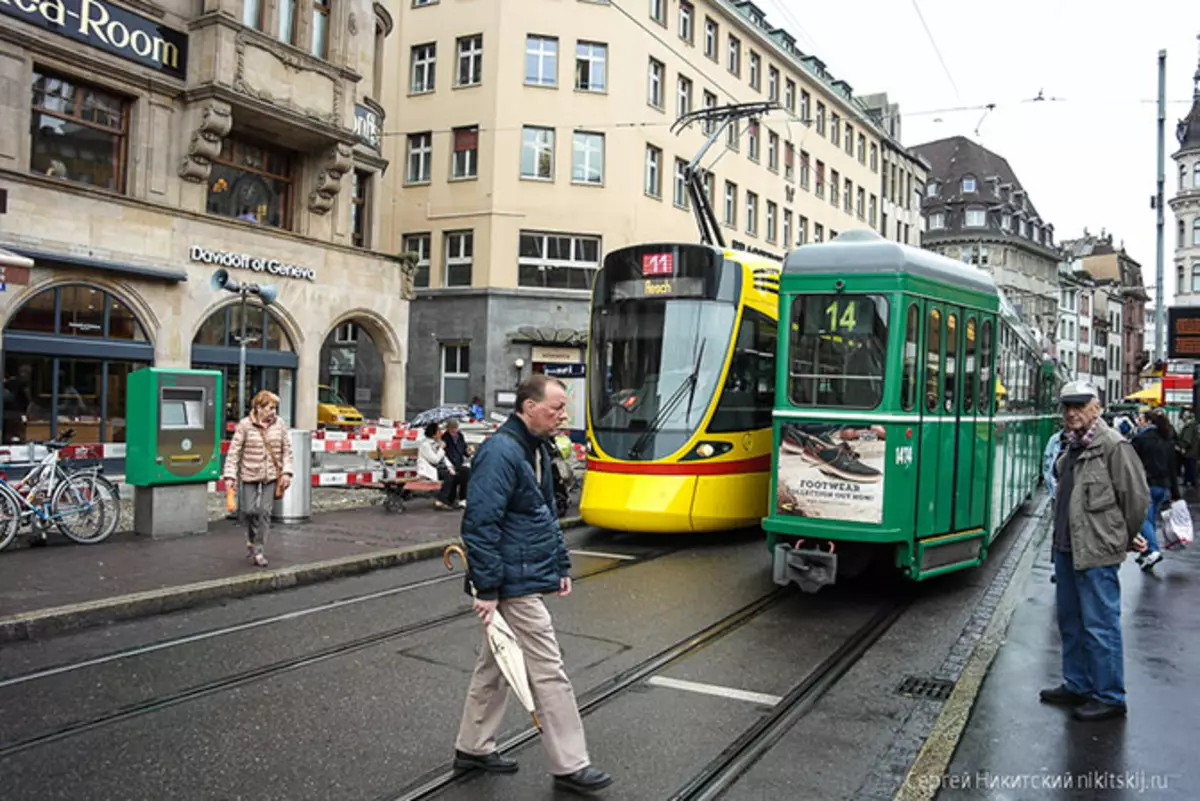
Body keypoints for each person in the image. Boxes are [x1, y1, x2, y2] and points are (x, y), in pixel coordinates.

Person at [452, 375, 613, 794]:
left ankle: (472, 746)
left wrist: (559, 563)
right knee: (548, 668)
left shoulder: (534, 448)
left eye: (564, 408)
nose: (563, 415)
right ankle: (571, 763)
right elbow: (480, 524)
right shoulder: (502, 453)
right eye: (556, 407)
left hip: (518, 574)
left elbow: (540, 515)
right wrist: (486, 589)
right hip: (510, 582)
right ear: (527, 407)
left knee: (496, 665)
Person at [1042, 381, 1148, 722]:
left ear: (1097, 407)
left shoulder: (1113, 446)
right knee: (1070, 621)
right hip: (1066, 547)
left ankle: (1109, 695)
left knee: (1100, 625)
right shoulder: (1069, 446)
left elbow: (1136, 498)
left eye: (1079, 405)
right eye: (1067, 406)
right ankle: (1077, 684)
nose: (1071, 412)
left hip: (1097, 550)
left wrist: (1125, 536)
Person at [223, 390, 293, 567]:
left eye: (275, 408)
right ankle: (251, 537)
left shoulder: (280, 425)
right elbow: (234, 452)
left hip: (271, 475)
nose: (273, 412)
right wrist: (230, 475)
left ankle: (259, 550)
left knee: (265, 511)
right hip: (250, 472)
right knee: (248, 510)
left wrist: (286, 472)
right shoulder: (245, 425)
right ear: (259, 408)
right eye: (270, 408)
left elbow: (287, 450)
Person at [1130, 408, 1177, 571]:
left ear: (1149, 422)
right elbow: (1173, 468)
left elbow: (1130, 463)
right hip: (1163, 486)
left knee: (1144, 520)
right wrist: (1175, 493)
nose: (1138, 421)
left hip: (1146, 485)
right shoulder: (1167, 440)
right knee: (1151, 520)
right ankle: (1146, 551)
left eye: (1141, 419)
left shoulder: (1140, 439)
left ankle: (1153, 550)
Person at [417, 422, 461, 511]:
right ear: (433, 434)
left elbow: (445, 458)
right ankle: (441, 501)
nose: (440, 433)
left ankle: (453, 499)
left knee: (463, 472)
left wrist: (450, 466)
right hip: (430, 469)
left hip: (441, 468)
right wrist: (441, 448)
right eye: (438, 431)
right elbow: (435, 460)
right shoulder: (425, 445)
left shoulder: (437, 442)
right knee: (449, 476)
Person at [441, 418, 472, 507]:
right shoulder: (445, 437)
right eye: (452, 429)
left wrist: (468, 452)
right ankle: (460, 498)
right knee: (464, 472)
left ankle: (462, 498)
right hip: (449, 464)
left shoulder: (460, 436)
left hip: (459, 463)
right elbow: (445, 453)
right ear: (448, 428)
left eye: (455, 428)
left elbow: (464, 450)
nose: (454, 431)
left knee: (466, 472)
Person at [1177, 409, 1198, 489]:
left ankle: (1191, 482)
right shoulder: (1193, 425)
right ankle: (1189, 481)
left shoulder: (1189, 426)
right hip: (1193, 451)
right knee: (1190, 466)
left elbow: (1187, 439)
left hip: (1189, 451)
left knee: (1190, 466)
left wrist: (1182, 447)